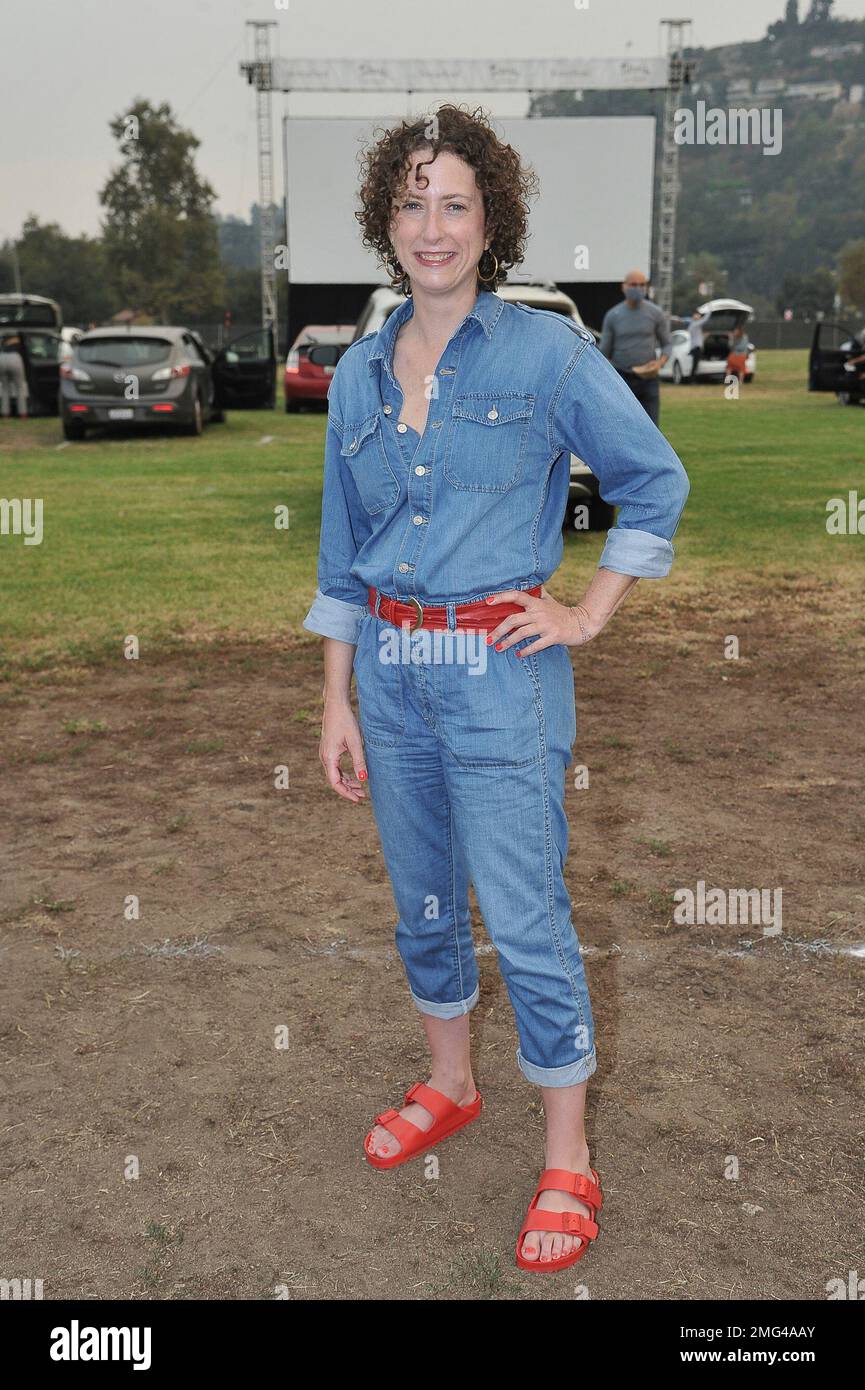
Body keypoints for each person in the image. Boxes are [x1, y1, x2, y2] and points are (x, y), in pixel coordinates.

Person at [302, 104, 690, 1272]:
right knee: (423, 901)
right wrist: (334, 700)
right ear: (385, 220)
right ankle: (449, 1079)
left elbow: (652, 483)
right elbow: (338, 558)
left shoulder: (547, 353)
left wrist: (580, 614)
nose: (432, 225)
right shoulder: (356, 375)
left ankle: (567, 1154)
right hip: (389, 674)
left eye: (455, 202)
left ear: (491, 221)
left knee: (523, 918)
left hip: (497, 677)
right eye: (411, 201)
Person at [598, 271, 672, 424]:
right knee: (622, 425)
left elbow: (667, 344)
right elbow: (603, 353)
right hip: (622, 379)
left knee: (651, 427)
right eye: (633, 285)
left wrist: (659, 363)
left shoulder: (655, 313)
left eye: (642, 285)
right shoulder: (613, 315)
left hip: (649, 380)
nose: (638, 288)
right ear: (624, 287)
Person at [0, 332, 29, 419]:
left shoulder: (2, 336)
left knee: (5, 388)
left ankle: (5, 414)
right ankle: (23, 414)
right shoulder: (18, 337)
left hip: (2, 358)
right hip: (15, 358)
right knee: (20, 388)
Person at [686, 307, 712, 384]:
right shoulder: (695, 324)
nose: (699, 316)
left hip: (696, 347)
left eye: (699, 315)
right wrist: (710, 310)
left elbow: (697, 337)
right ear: (694, 315)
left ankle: (693, 379)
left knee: (695, 364)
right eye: (698, 315)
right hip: (696, 348)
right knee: (695, 365)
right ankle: (692, 380)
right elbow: (705, 320)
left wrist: (704, 336)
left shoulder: (693, 325)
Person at [726, 319, 750, 384]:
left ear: (739, 331)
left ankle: (740, 381)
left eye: (735, 331)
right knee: (729, 366)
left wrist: (735, 348)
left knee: (741, 368)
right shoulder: (734, 338)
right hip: (734, 354)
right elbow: (730, 346)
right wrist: (730, 339)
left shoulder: (744, 337)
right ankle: (728, 381)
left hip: (741, 355)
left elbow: (742, 347)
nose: (734, 332)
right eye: (734, 331)